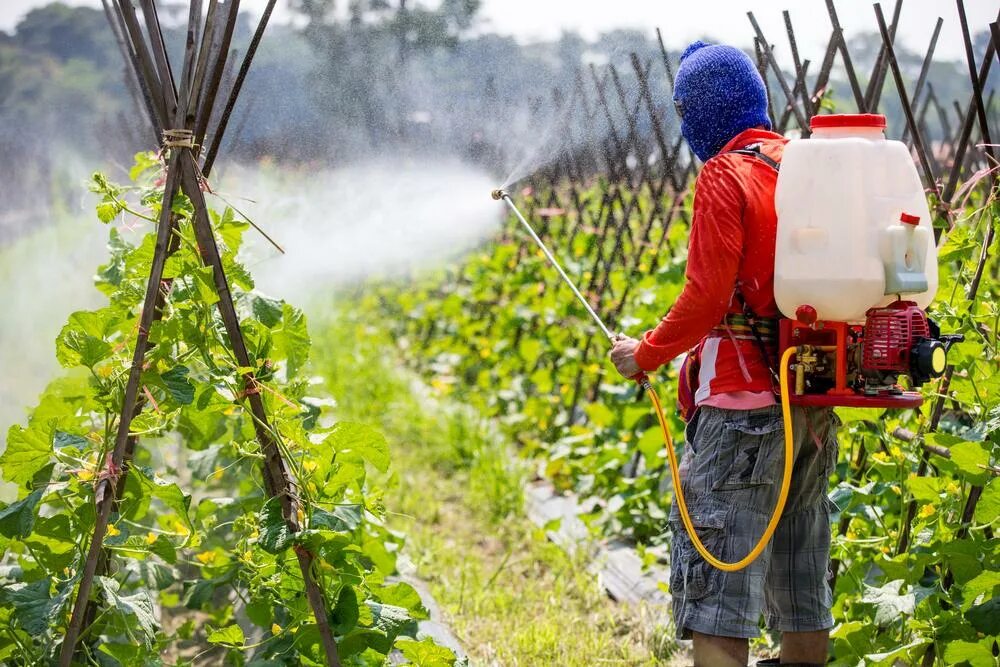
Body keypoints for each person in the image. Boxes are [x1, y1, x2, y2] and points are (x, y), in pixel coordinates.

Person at [610, 41, 839, 667]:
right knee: (801, 586)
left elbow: (707, 297)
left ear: (703, 113)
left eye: (686, 111)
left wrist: (646, 352)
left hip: (741, 418)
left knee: (718, 601)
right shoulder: (799, 165)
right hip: (810, 407)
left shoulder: (724, 175)